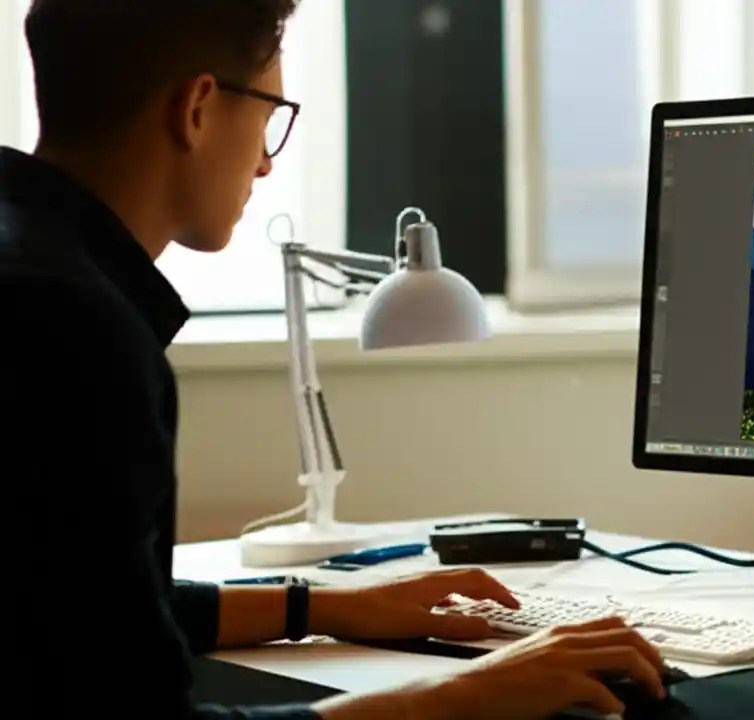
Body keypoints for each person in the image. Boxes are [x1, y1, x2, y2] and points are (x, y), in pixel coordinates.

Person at [0, 1, 665, 718]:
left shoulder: (30, 268)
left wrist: (330, 605)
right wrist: (466, 695)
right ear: (197, 109)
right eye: (269, 116)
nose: (265, 162)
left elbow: (88, 618)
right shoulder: (75, 332)